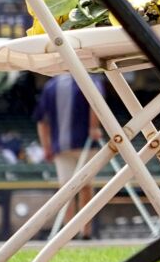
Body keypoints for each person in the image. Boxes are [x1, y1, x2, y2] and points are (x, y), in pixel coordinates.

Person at [33, 71, 108, 239]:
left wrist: (46, 146)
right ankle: (81, 230)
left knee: (68, 189)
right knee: (83, 187)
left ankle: (73, 231)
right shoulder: (91, 80)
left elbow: (42, 121)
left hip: (65, 146)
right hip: (82, 144)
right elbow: (97, 102)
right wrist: (94, 127)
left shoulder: (51, 85)